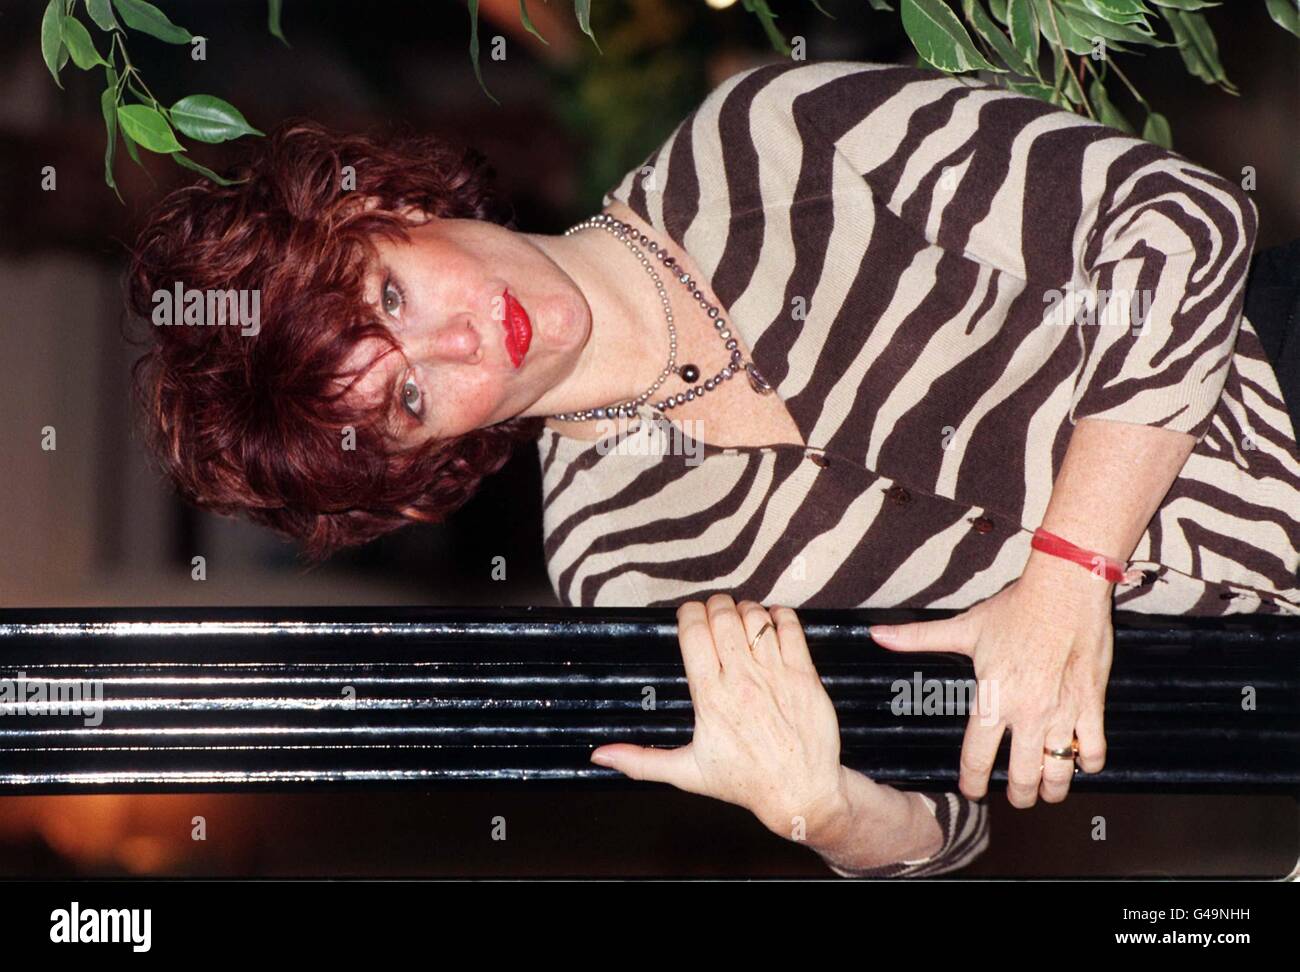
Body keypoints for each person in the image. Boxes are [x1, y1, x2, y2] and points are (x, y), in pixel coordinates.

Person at [126, 60, 1300, 877]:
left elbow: (1176, 222)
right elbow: (945, 823)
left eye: (393, 297)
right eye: (411, 399)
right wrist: (824, 809)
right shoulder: (618, 566)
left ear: (388, 206)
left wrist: (1068, 572)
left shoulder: (766, 140)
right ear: (427, 454)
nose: (461, 343)